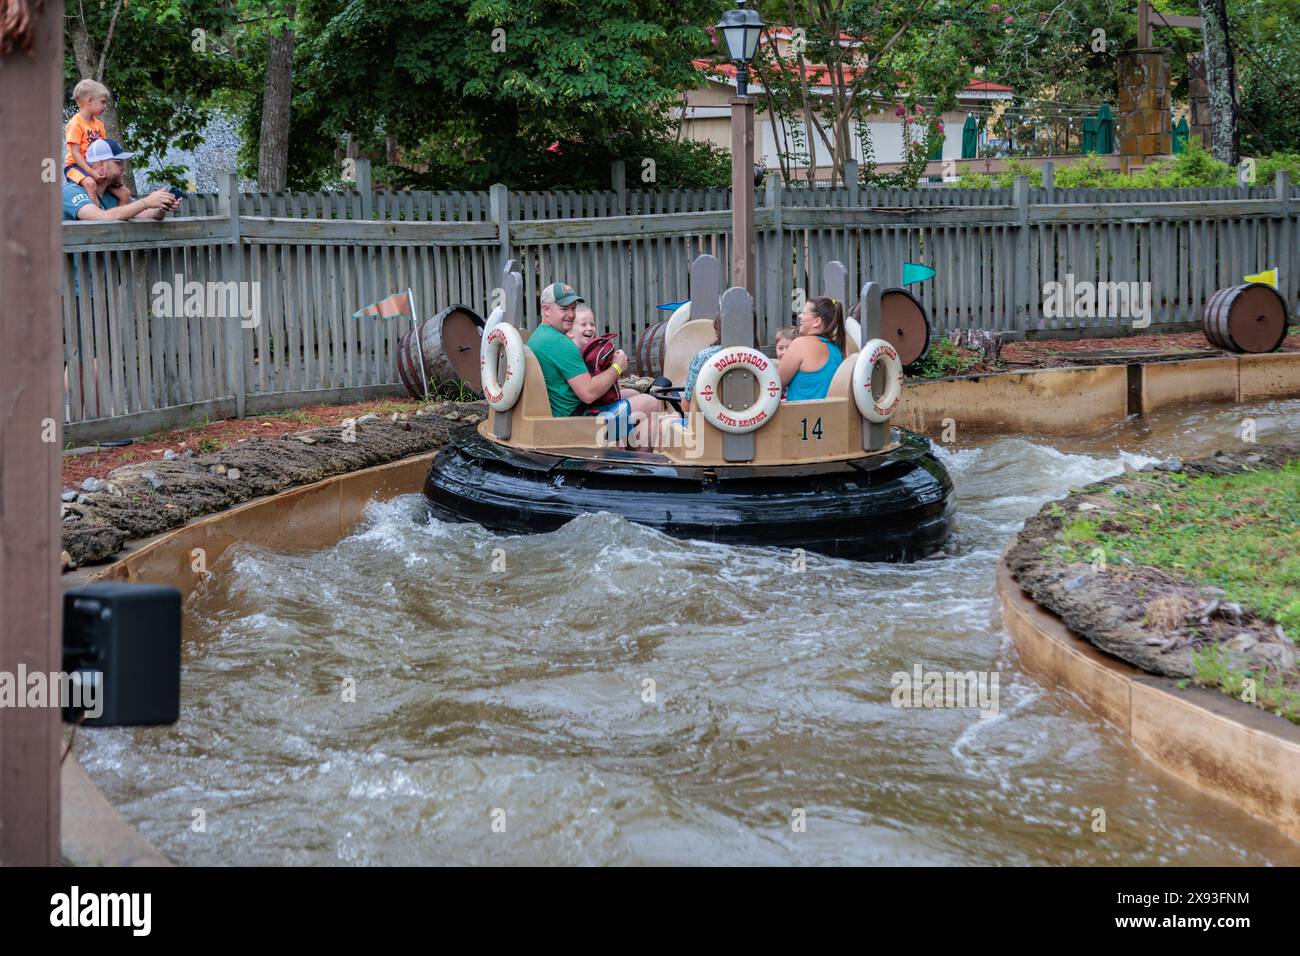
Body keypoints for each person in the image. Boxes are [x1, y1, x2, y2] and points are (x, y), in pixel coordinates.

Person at [530, 282, 662, 448]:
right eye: (564, 309)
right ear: (546, 310)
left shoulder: (539, 336)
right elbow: (588, 393)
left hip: (567, 412)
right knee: (650, 403)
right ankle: (637, 464)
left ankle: (620, 446)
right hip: (577, 423)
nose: (570, 314)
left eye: (572, 308)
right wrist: (617, 367)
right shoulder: (559, 343)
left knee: (631, 393)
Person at [62, 139, 180, 222]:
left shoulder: (116, 194)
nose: (123, 167)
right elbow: (101, 218)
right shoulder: (72, 193)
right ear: (100, 165)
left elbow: (148, 215)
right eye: (118, 162)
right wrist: (146, 202)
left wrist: (162, 207)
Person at [64, 80, 133, 209]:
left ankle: (119, 222)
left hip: (95, 166)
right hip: (75, 167)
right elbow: (75, 153)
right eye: (102, 102)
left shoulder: (99, 125)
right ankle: (97, 218)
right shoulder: (76, 123)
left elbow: (105, 152)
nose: (105, 106)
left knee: (125, 193)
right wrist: (91, 172)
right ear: (90, 100)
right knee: (90, 184)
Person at [779, 297, 846, 401]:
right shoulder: (837, 349)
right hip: (828, 416)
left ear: (817, 321)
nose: (800, 316)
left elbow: (774, 386)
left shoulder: (801, 344)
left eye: (804, 313)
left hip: (799, 416)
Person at [681, 313, 723, 415]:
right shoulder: (762, 359)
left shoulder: (705, 356)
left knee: (663, 424)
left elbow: (687, 406)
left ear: (718, 329)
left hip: (703, 427)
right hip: (754, 427)